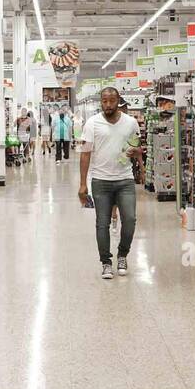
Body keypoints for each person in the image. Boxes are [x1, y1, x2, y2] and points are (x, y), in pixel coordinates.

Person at [78, 87, 141, 279]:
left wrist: (140, 164)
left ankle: (122, 255)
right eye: (104, 101)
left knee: (129, 220)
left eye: (111, 101)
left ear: (118, 100)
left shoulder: (131, 122)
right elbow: (85, 153)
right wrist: (82, 184)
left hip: (125, 180)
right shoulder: (92, 123)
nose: (107, 105)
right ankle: (106, 262)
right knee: (102, 223)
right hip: (101, 181)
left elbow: (136, 145)